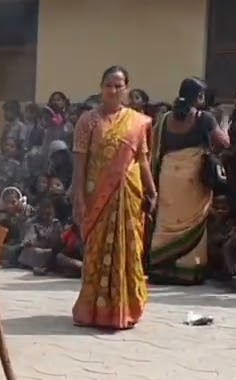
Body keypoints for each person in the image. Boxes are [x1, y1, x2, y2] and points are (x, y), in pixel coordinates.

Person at [71, 65, 156, 330]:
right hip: (97, 196)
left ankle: (125, 308)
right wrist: (78, 197)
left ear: (126, 89)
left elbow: (142, 160)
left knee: (128, 251)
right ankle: (92, 311)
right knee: (96, 252)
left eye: (119, 85)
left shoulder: (137, 121)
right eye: (109, 84)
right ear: (101, 87)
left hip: (129, 195)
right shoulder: (88, 121)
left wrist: (152, 191)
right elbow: (80, 163)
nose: (113, 89)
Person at [148, 77, 229, 285]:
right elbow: (223, 142)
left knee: (166, 221)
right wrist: (225, 126)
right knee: (192, 222)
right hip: (192, 177)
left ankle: (160, 266)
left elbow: (156, 148)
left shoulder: (165, 118)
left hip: (168, 175)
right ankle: (187, 269)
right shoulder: (204, 118)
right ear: (200, 96)